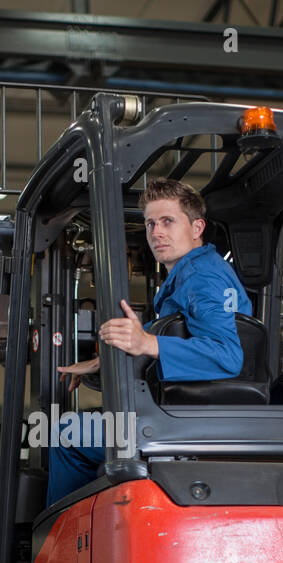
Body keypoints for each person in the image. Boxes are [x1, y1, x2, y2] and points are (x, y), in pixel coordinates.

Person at [46, 177, 251, 505]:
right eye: (150, 224)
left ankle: (59, 541)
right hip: (186, 414)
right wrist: (104, 360)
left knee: (68, 433)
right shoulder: (189, 274)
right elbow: (174, 332)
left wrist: (145, 344)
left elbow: (227, 355)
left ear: (197, 227)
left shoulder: (203, 278)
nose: (156, 233)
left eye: (168, 221)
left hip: (187, 422)